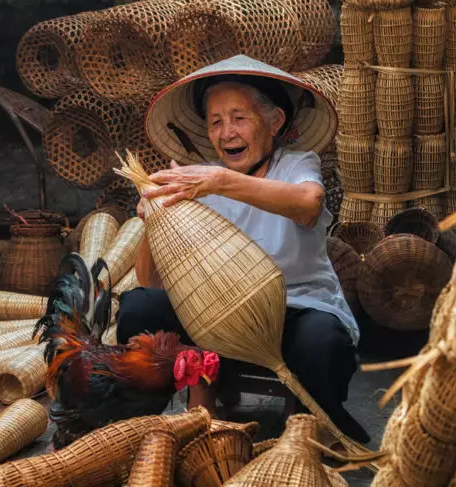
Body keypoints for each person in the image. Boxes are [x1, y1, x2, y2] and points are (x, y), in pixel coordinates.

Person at [115, 55, 369, 444]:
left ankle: (316, 428)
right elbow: (154, 280)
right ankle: (151, 429)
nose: (226, 131)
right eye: (215, 121)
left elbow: (308, 203)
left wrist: (220, 181)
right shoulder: (198, 184)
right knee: (138, 307)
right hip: (217, 320)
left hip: (294, 312)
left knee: (322, 342)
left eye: (239, 117)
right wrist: (155, 219)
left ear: (275, 122)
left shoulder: (296, 165)